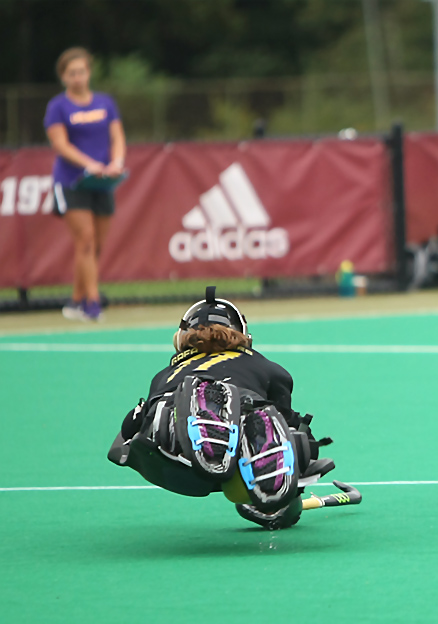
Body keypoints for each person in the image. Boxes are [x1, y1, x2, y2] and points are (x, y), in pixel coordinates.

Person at [107, 288, 338, 529]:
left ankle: (198, 428)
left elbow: (128, 430)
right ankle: (242, 454)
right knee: (279, 428)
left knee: (161, 412)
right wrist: (301, 468)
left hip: (170, 431)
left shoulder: (164, 374)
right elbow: (287, 421)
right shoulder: (266, 366)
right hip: (239, 413)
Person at [44, 47, 127, 322]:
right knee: (86, 240)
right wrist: (89, 164)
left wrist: (116, 162)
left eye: (81, 71)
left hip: (102, 183)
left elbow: (117, 137)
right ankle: (92, 302)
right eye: (72, 73)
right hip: (71, 182)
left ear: (89, 73)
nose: (77, 77)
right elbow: (60, 144)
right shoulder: (58, 107)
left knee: (96, 246)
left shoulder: (105, 103)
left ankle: (75, 300)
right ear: (63, 77)